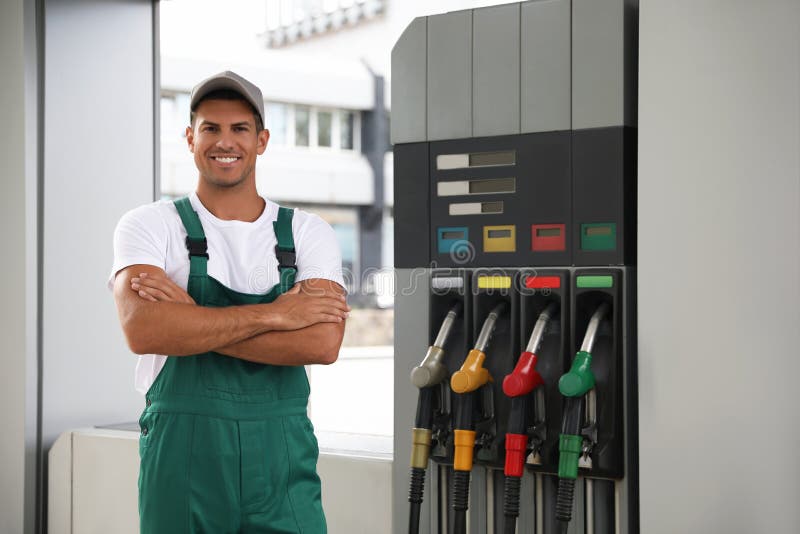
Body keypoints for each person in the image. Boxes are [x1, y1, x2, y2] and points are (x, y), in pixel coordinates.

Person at [109, 71, 349, 534]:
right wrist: (278, 314)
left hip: (281, 453)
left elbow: (321, 343)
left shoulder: (306, 232)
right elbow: (144, 331)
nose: (225, 142)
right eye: (210, 128)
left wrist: (190, 322)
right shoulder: (149, 225)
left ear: (261, 140)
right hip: (183, 452)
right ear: (189, 138)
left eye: (240, 129)